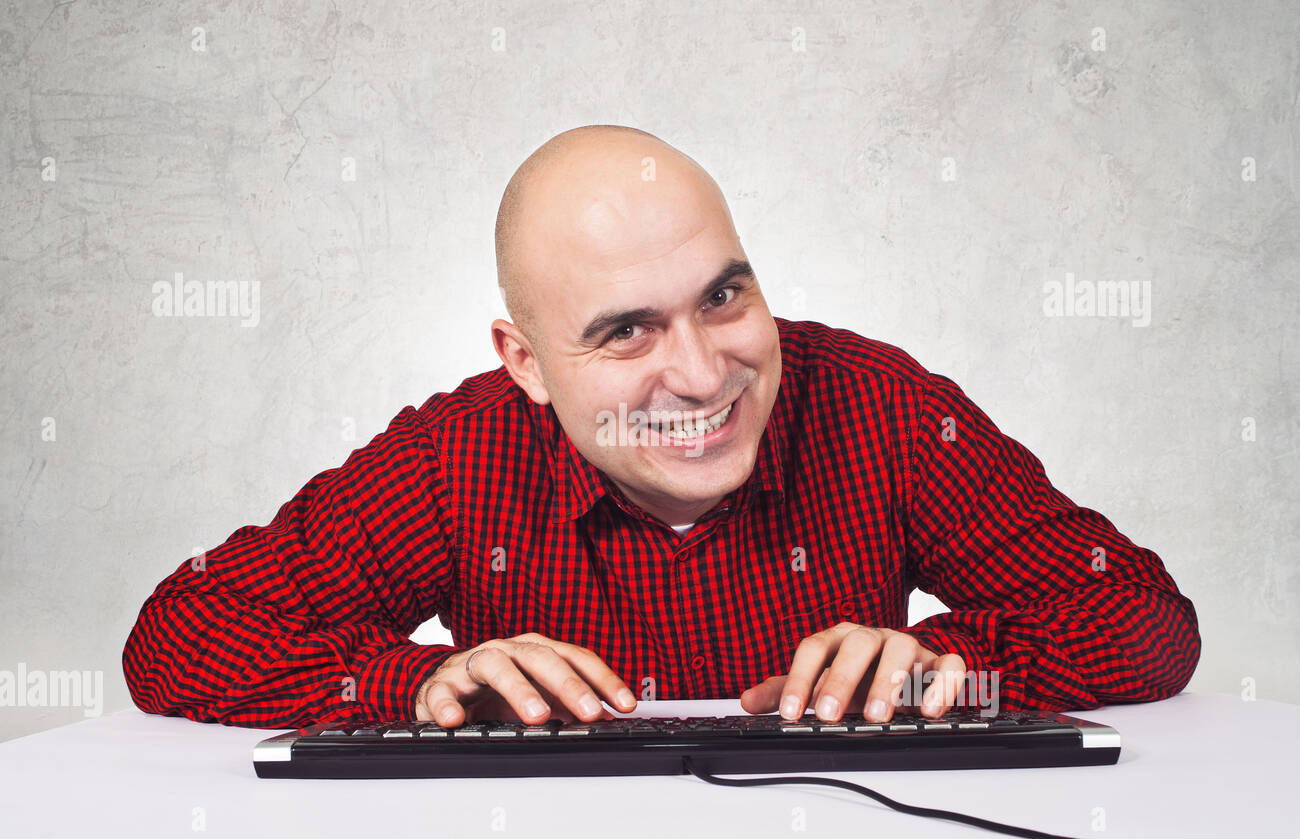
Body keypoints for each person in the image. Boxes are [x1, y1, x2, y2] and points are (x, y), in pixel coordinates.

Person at [122, 125, 1200, 730]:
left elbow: (1144, 617)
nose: (702, 371)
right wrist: (414, 681)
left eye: (723, 298)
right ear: (527, 365)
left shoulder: (883, 406)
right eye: (626, 332)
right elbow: (178, 634)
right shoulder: (457, 457)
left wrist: (934, 663)